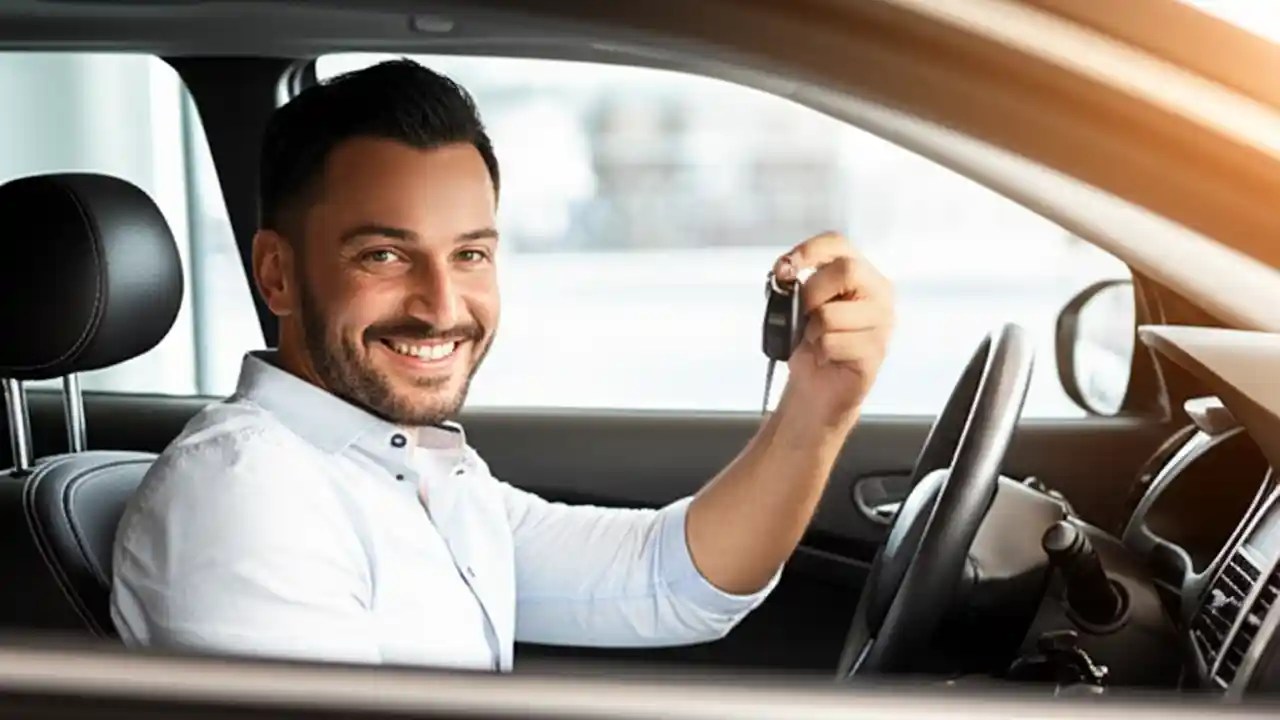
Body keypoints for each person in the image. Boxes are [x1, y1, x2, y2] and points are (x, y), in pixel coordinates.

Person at [109, 59, 895, 672]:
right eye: (384, 254)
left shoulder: (403, 470)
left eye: (471, 253)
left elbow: (669, 582)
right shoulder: (249, 492)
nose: (441, 304)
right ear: (277, 274)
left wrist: (818, 406)